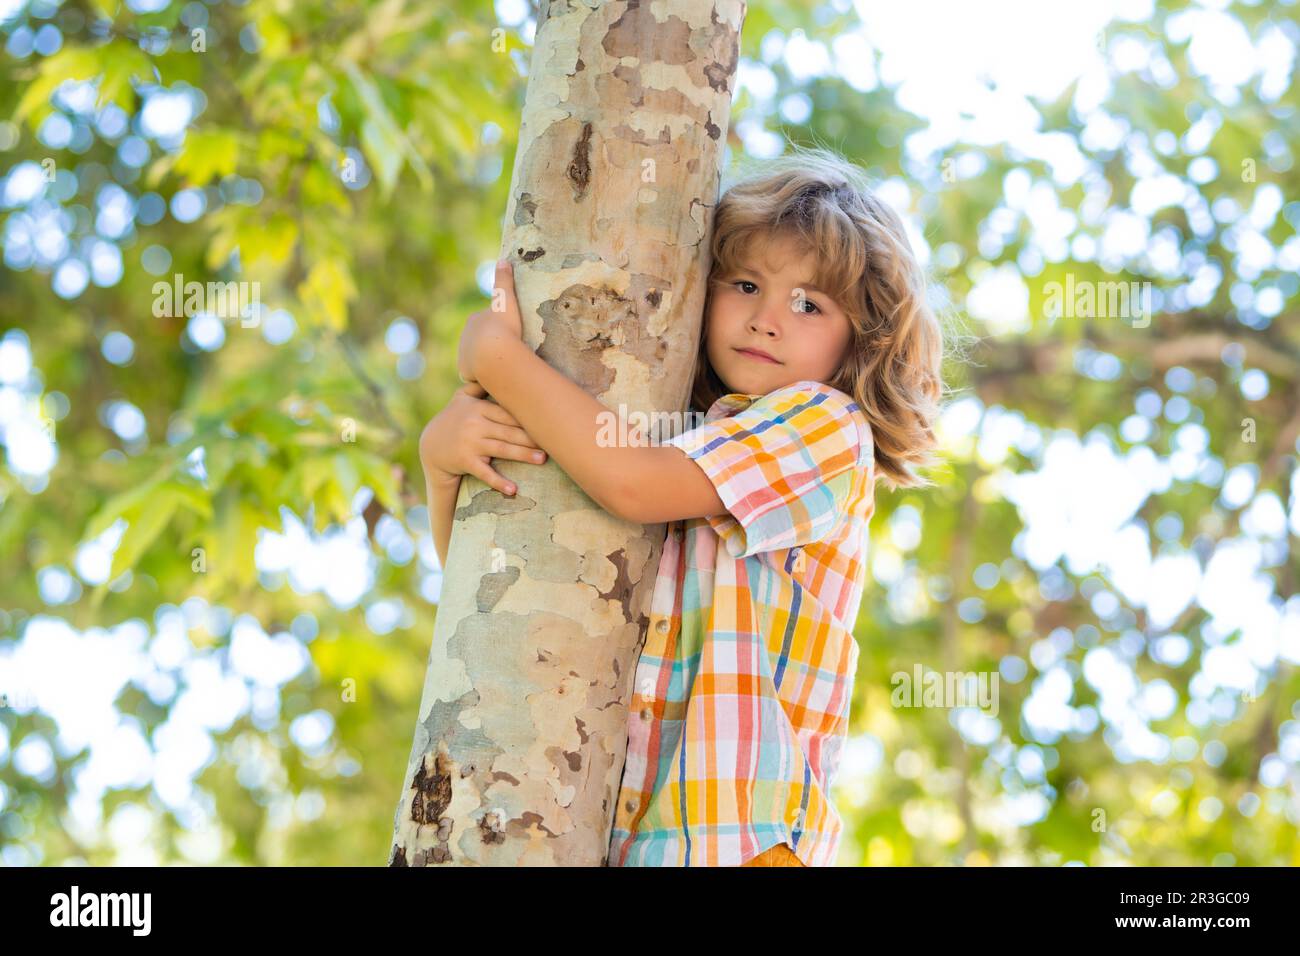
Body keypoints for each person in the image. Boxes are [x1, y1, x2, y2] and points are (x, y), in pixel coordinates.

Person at [426, 144, 948, 866]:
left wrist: (497, 360)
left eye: (808, 303)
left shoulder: (827, 429)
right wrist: (443, 466)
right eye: (744, 285)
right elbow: (486, 603)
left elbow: (631, 484)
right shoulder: (694, 439)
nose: (768, 319)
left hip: (741, 841)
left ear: (859, 342)